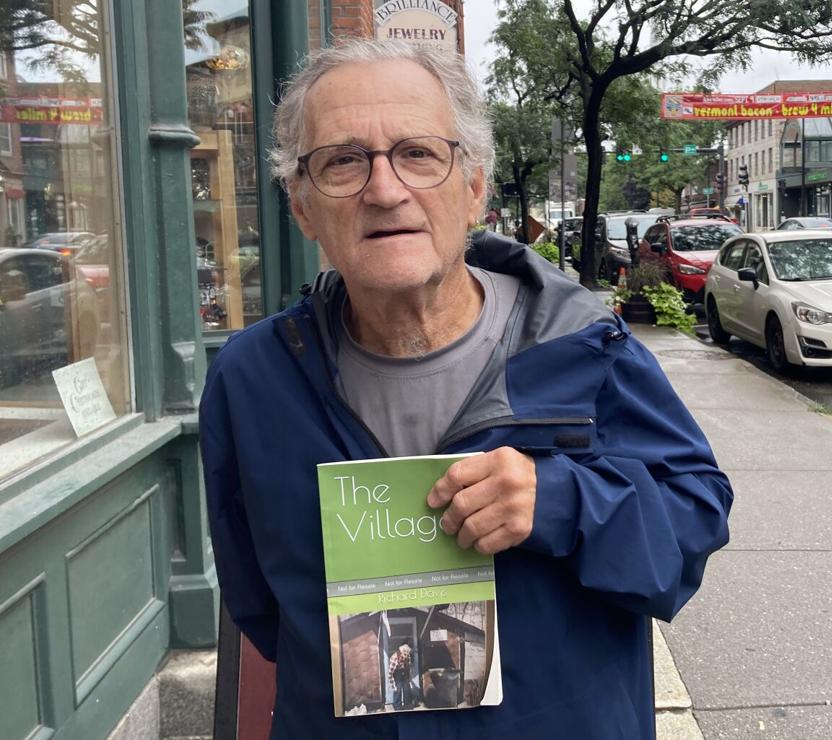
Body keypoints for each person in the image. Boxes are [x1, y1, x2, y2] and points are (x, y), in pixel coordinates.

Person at [199, 38, 733, 739]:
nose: (385, 190)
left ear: (473, 187)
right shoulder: (251, 381)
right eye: (343, 161)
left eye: (418, 154)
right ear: (302, 207)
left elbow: (692, 525)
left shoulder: (580, 347)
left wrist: (563, 501)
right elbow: (259, 607)